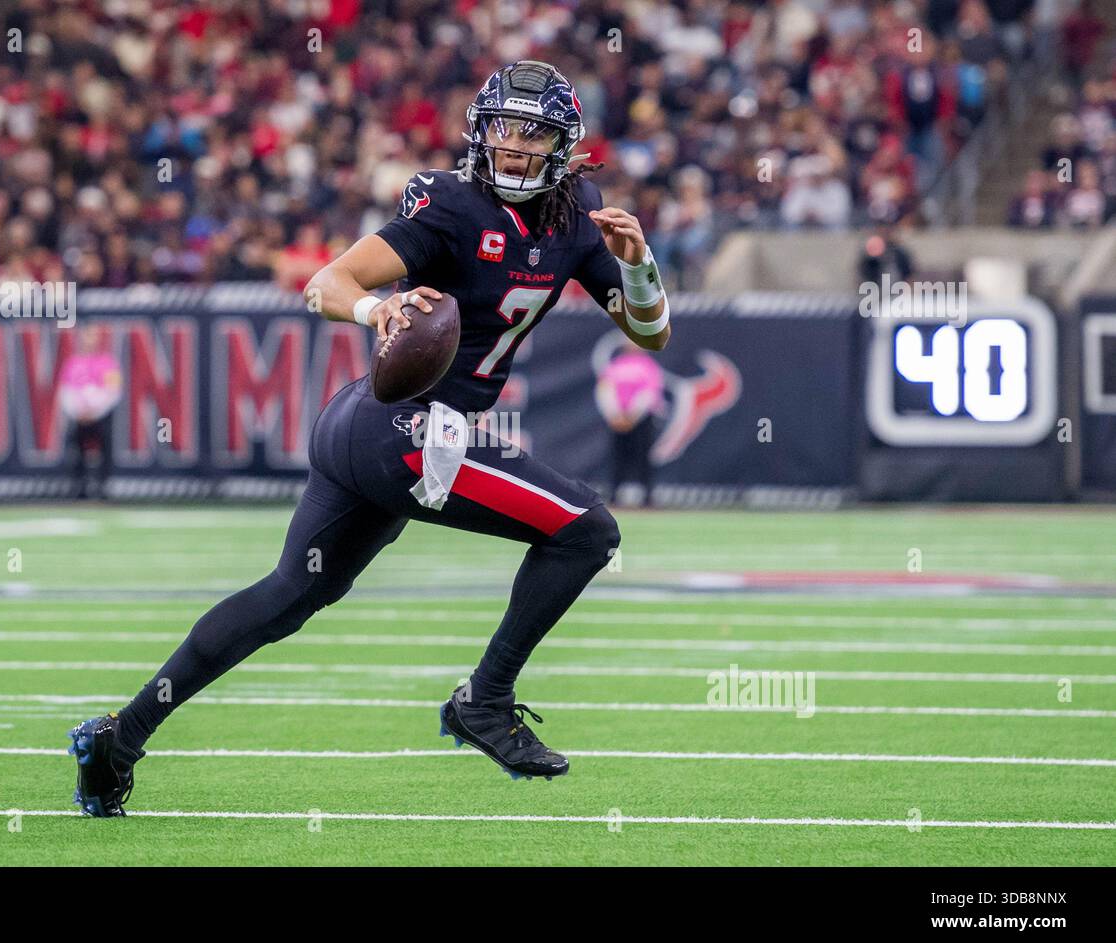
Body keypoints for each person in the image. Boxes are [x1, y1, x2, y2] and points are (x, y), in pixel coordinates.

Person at [66, 61, 672, 816]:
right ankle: (485, 700)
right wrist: (375, 312)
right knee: (587, 530)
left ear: (565, 145)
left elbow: (650, 333)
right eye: (504, 130)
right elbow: (328, 282)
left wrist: (639, 264)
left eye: (535, 134)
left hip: (379, 434)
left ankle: (118, 740)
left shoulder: (577, 215)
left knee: (286, 598)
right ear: (479, 132)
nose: (515, 149)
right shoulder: (451, 205)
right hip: (403, 427)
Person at [596, 342, 665, 507]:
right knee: (618, 457)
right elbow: (605, 390)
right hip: (618, 419)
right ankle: (614, 494)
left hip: (641, 420)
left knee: (643, 457)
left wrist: (633, 415)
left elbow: (649, 393)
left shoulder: (648, 366)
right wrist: (614, 414)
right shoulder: (615, 365)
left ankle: (647, 496)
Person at [58, 324, 121, 499]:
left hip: (100, 417)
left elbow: (113, 391)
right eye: (86, 336)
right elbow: (65, 392)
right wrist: (79, 412)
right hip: (79, 417)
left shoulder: (108, 363)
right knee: (76, 449)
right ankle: (78, 486)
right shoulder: (73, 363)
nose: (89, 341)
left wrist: (95, 411)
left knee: (105, 447)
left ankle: (102, 486)